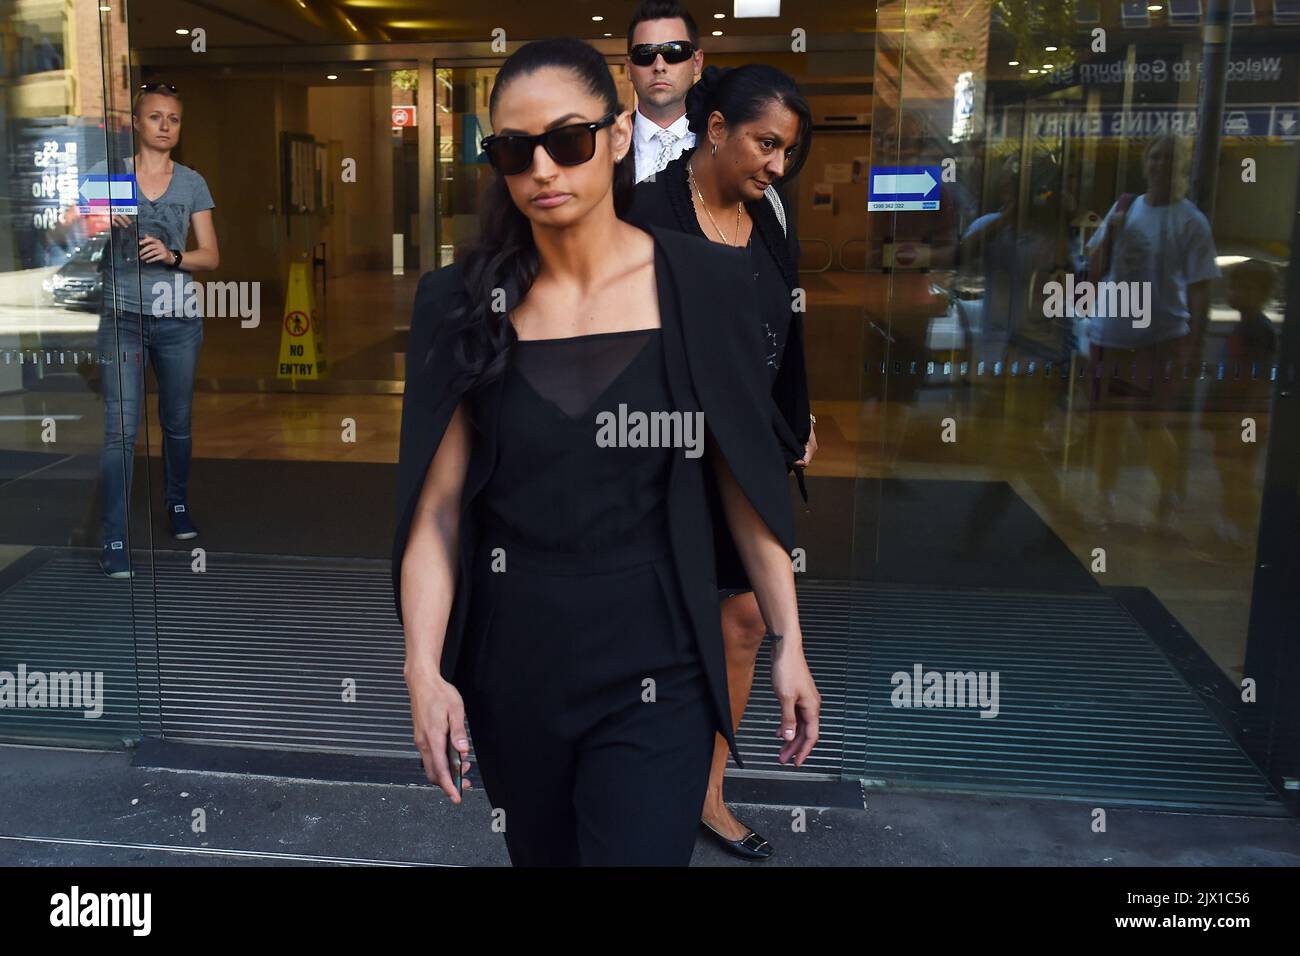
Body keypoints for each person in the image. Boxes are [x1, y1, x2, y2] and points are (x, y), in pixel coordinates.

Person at [393, 37, 820, 867]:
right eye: (516, 151)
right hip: (516, 664)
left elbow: (741, 474)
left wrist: (789, 637)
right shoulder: (459, 302)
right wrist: (422, 666)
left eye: (569, 140)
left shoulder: (703, 282)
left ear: (619, 135)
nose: (544, 169)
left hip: (658, 662)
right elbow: (438, 508)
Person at [626, 63, 814, 860]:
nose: (777, 165)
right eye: (766, 144)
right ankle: (638, 791)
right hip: (665, 454)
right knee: (659, 629)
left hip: (751, 444)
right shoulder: (646, 211)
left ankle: (708, 794)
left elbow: (786, 324)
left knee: (743, 617)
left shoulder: (767, 212)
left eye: (786, 152)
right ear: (714, 130)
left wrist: (795, 416)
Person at [95, 82, 219, 578]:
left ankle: (178, 503)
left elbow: (211, 255)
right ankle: (114, 536)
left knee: (177, 423)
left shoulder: (191, 182)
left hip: (177, 320)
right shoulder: (112, 176)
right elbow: (66, 237)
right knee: (119, 431)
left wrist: (173, 256)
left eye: (174, 118)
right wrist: (99, 218)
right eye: (156, 117)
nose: (165, 126)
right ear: (138, 123)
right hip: (121, 317)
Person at [1084, 134, 1219, 532]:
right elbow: (1093, 268)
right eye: (1155, 157)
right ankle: (1105, 499)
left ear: (1181, 167)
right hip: (1109, 334)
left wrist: (1194, 345)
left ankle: (1167, 495)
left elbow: (1201, 288)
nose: (1160, 165)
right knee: (1108, 425)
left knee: (1151, 423)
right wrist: (1112, 231)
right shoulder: (1123, 208)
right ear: (1146, 163)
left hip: (1160, 338)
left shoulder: (1191, 220)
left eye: (1169, 159)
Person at [625, 0, 702, 183]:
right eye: (645, 53)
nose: (659, 66)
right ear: (628, 67)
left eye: (674, 52)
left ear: (697, 62)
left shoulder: (722, 144)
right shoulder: (604, 145)